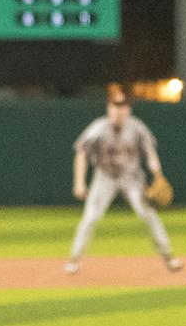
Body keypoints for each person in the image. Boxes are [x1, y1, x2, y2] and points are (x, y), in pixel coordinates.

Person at [66, 85, 180, 275]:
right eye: (114, 106)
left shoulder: (137, 127)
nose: (117, 110)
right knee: (91, 217)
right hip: (105, 178)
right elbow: (80, 152)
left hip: (132, 178)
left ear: (128, 109)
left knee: (147, 214)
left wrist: (157, 174)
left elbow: (150, 152)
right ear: (108, 109)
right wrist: (79, 182)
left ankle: (169, 257)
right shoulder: (98, 128)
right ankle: (74, 259)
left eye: (121, 106)